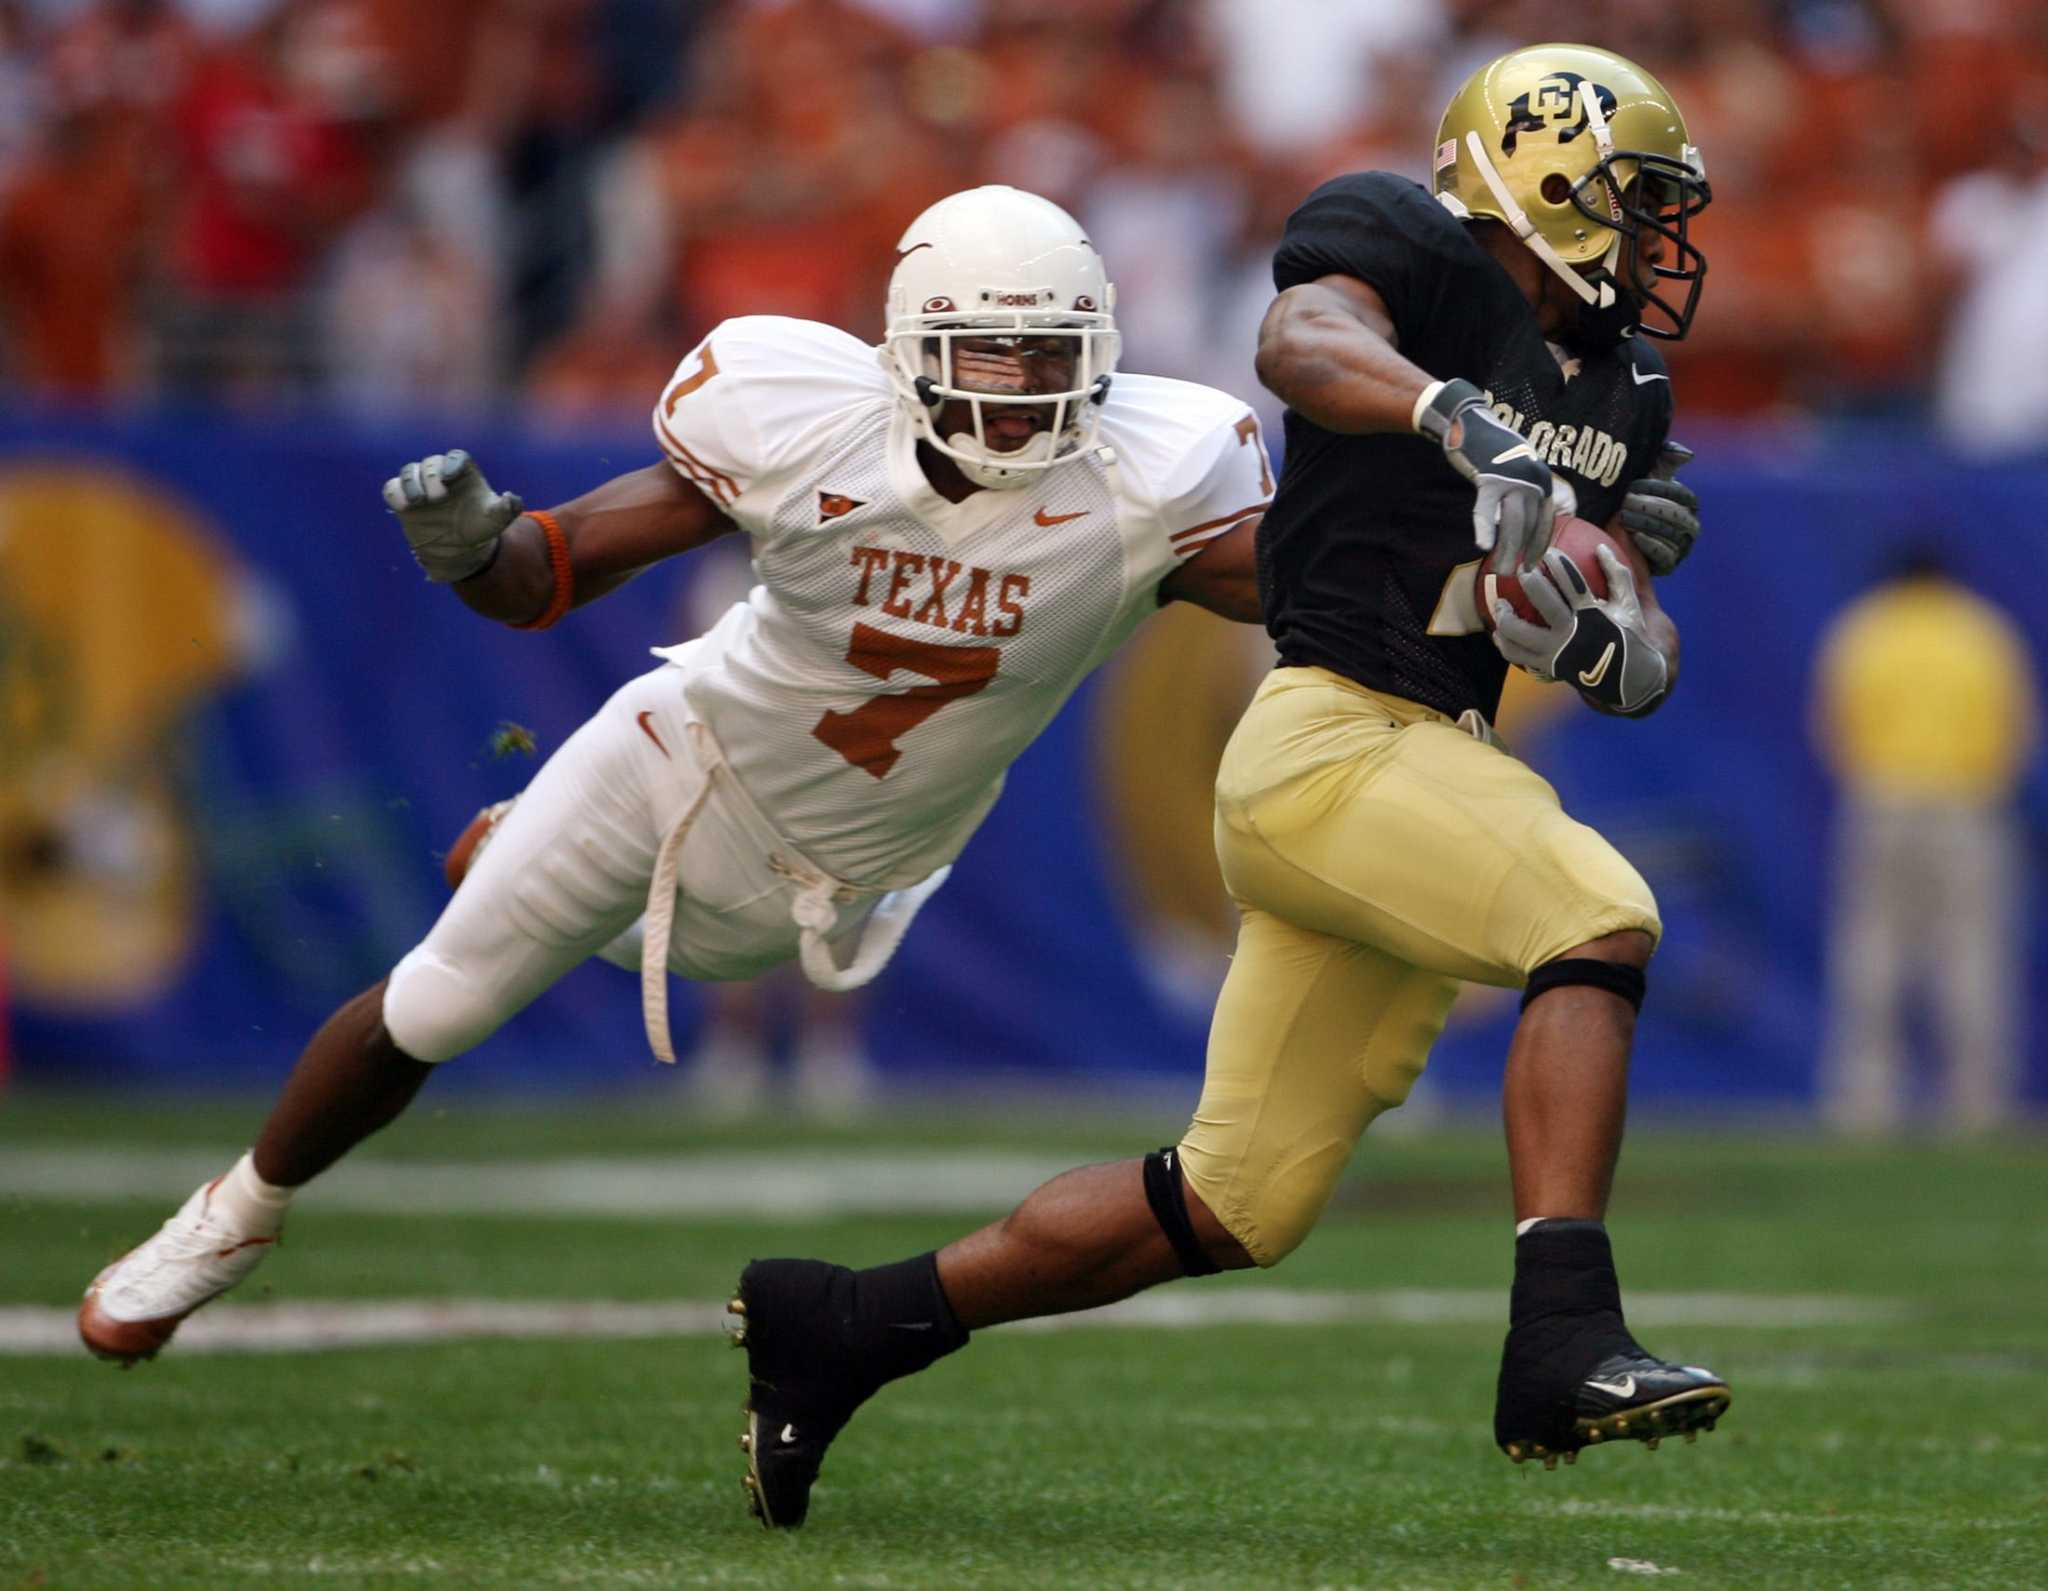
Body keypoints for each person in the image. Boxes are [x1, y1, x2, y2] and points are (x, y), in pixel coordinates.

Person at [722, 44, 1726, 1530]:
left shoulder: (1620, 384)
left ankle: (845, 1323)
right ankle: (1562, 1332)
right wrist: (1453, 413)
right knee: (1598, 910)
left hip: (1422, 763)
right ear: (1547, 178)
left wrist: (1613, 637)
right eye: (1636, 205)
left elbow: (1633, 631)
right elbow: (1302, 340)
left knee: (1230, 1199)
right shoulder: (1409, 250)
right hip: (1323, 742)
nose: (1656, 245)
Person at [74, 184, 1272, 1362]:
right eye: (985, 356)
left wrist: (1445, 578)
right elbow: (556, 572)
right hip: (683, 755)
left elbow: (1321, 593)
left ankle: (527, 851)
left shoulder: (1149, 481)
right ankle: (230, 1217)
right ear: (911, 345)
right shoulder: (801, 417)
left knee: (671, 935)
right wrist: (481, 554)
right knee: (438, 1000)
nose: (1018, 397)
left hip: (849, 870)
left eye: (1046, 356)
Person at [1811, 544, 2039, 1136]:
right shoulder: (1981, 631)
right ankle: (1977, 1102)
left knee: (1873, 951)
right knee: (1971, 952)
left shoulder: (1865, 629)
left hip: (1881, 798)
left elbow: (1833, 726)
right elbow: (2020, 729)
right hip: (1968, 803)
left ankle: (1865, 1101)